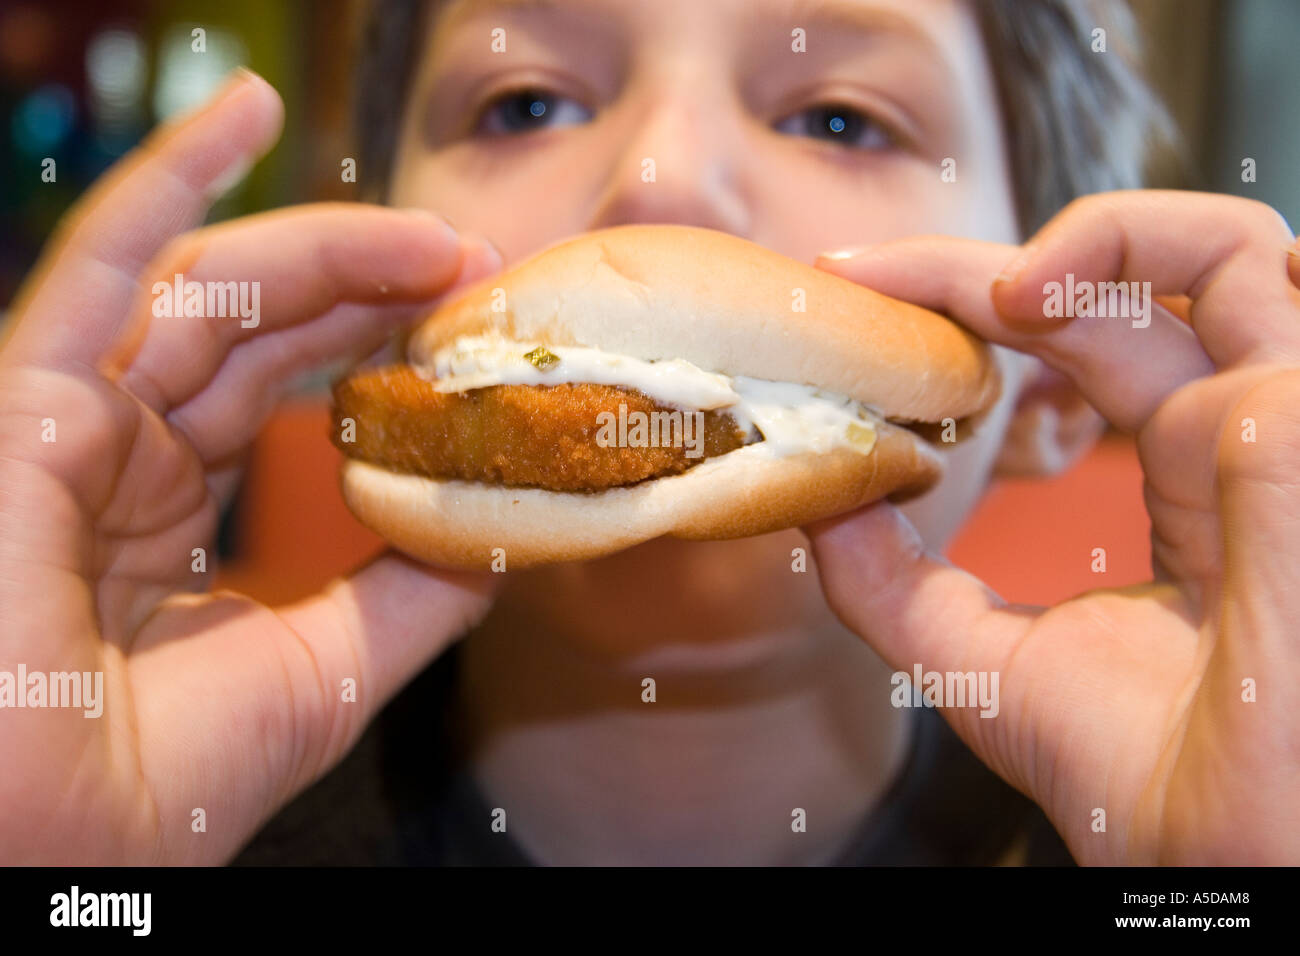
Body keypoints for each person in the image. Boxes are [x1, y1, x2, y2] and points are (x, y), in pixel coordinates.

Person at [2, 0, 1297, 866]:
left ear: (1056, 381)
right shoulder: (177, 815)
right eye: (525, 103)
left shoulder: (1158, 832)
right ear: (372, 302)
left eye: (840, 117)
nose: (661, 177)